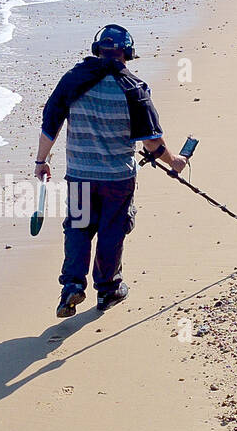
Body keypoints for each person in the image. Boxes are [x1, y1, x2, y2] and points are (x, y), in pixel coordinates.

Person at [35, 24, 188, 318]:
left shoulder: (72, 81)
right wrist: (174, 162)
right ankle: (108, 289)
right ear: (127, 53)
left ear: (97, 50)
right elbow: (153, 142)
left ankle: (71, 286)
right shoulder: (134, 88)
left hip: (80, 176)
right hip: (117, 179)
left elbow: (49, 126)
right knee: (111, 230)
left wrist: (41, 162)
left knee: (78, 228)